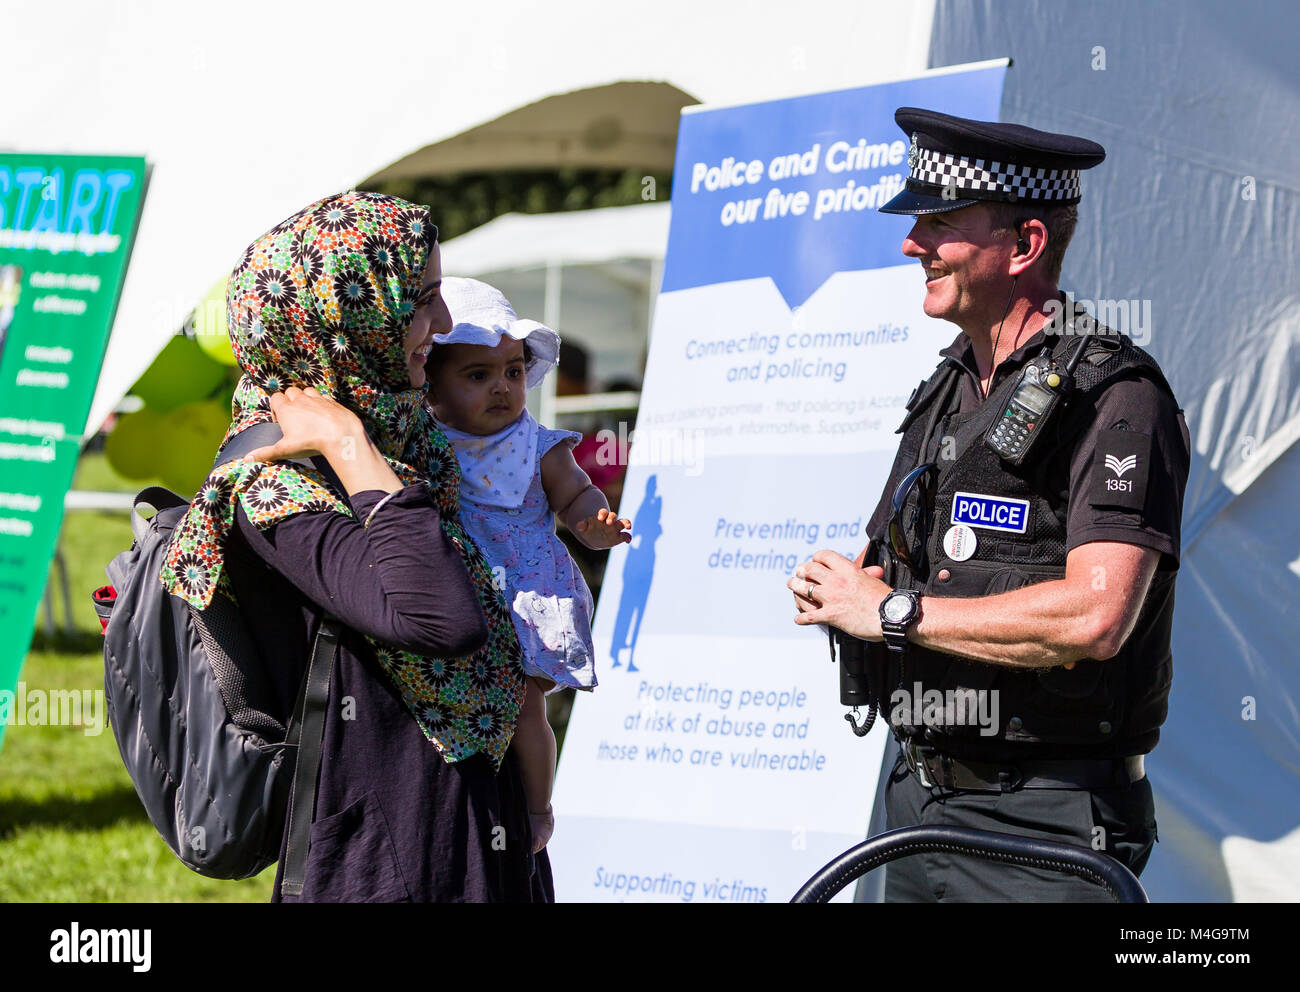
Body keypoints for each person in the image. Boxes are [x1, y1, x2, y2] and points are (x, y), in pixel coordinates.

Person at [789, 109, 1191, 902]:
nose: (913, 244)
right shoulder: (947, 388)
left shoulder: (1117, 394)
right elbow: (891, 566)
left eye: (940, 223)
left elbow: (1096, 618)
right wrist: (840, 588)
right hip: (917, 799)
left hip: (1044, 822)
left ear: (1026, 244)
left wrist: (893, 614)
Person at [161, 191, 552, 902]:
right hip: (390, 850)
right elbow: (440, 620)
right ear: (345, 316)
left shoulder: (406, 438)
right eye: (420, 298)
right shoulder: (276, 481)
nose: (440, 324)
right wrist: (345, 444)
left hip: (471, 818)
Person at [427, 276, 632, 853]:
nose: (502, 388)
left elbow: (576, 493)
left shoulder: (536, 442)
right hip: (459, 590)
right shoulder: (423, 441)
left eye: (514, 371)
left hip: (525, 589)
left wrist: (595, 521)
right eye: (478, 375)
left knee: (523, 705)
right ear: (431, 387)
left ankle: (538, 808)